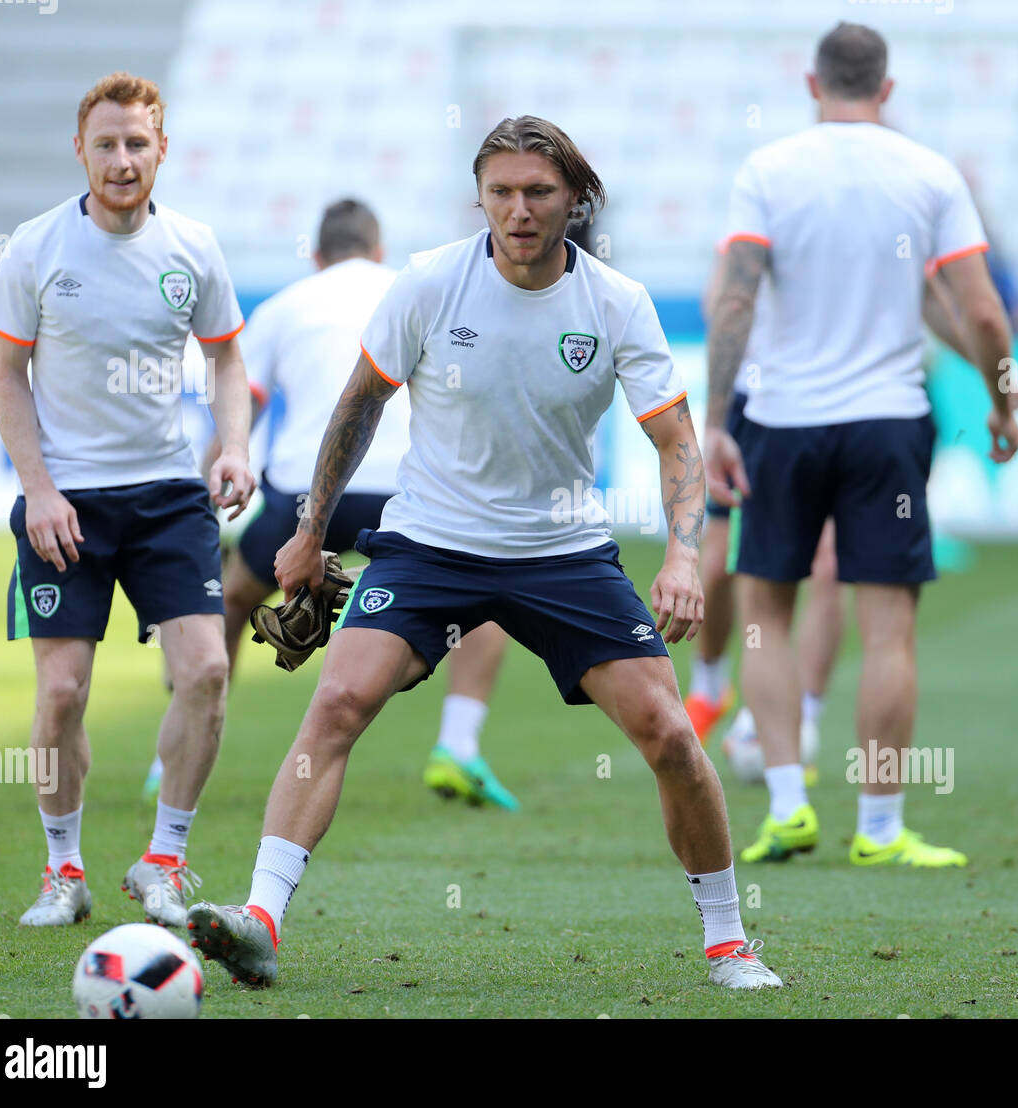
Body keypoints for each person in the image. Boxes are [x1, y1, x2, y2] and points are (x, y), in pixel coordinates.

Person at [185, 116, 782, 990]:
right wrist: (310, 531)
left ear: (575, 198)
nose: (519, 210)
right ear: (481, 198)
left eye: (539, 192)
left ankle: (729, 942)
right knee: (340, 698)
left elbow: (679, 444)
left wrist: (684, 558)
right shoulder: (430, 281)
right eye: (501, 192)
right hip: (431, 541)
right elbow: (356, 409)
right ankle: (261, 917)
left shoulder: (618, 302)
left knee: (665, 733)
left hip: (564, 550)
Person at [704, 23, 1018, 867]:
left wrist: (711, 423)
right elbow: (979, 310)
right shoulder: (928, 173)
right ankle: (880, 829)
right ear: (886, 89)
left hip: (779, 418)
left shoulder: (767, 170)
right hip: (887, 423)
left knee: (767, 616)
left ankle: (784, 808)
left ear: (813, 83)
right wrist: (1002, 402)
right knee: (890, 631)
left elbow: (733, 301)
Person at [0, 72, 256, 926]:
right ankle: (63, 872)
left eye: (138, 142)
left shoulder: (194, 247)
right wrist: (38, 490)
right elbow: (5, 372)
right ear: (82, 150)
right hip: (65, 501)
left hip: (169, 494)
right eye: (106, 143)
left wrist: (237, 446)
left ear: (162, 149)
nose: (122, 158)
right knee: (63, 692)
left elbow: (225, 360)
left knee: (209, 669)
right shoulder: (34, 247)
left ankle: (164, 863)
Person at [140, 199, 518, 810]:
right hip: (403, 490)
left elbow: (245, 406)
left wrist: (203, 492)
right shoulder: (409, 290)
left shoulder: (286, 304)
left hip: (304, 493)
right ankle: (458, 745)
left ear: (316, 257)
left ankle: (172, 755)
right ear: (377, 249)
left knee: (231, 599)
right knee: (488, 598)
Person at [685, 262, 843, 784]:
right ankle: (710, 687)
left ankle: (805, 724)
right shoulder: (757, 215)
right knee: (723, 563)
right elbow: (720, 304)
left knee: (826, 566)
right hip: (752, 405)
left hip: (829, 402)